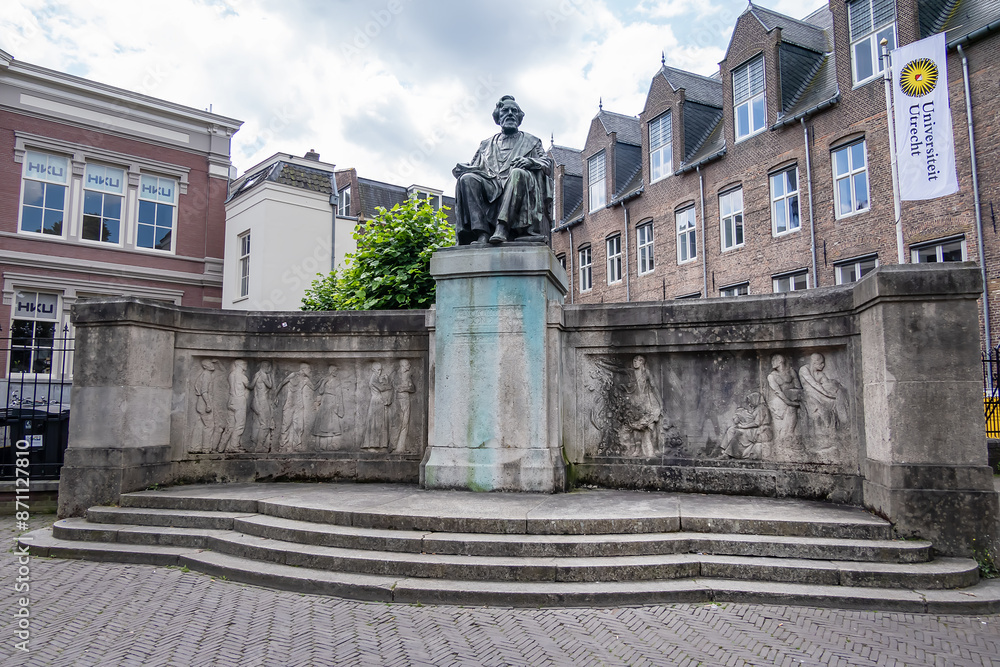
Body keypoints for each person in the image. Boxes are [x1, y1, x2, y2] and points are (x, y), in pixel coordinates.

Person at [452, 95, 553, 245]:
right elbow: (474, 166)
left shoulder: (532, 141)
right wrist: (462, 169)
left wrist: (529, 161)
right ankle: (482, 233)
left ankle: (502, 228)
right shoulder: (485, 145)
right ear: (498, 117)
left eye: (514, 110)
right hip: (491, 186)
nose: (510, 113)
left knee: (517, 173)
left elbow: (547, 163)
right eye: (505, 110)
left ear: (519, 117)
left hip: (519, 186)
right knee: (467, 179)